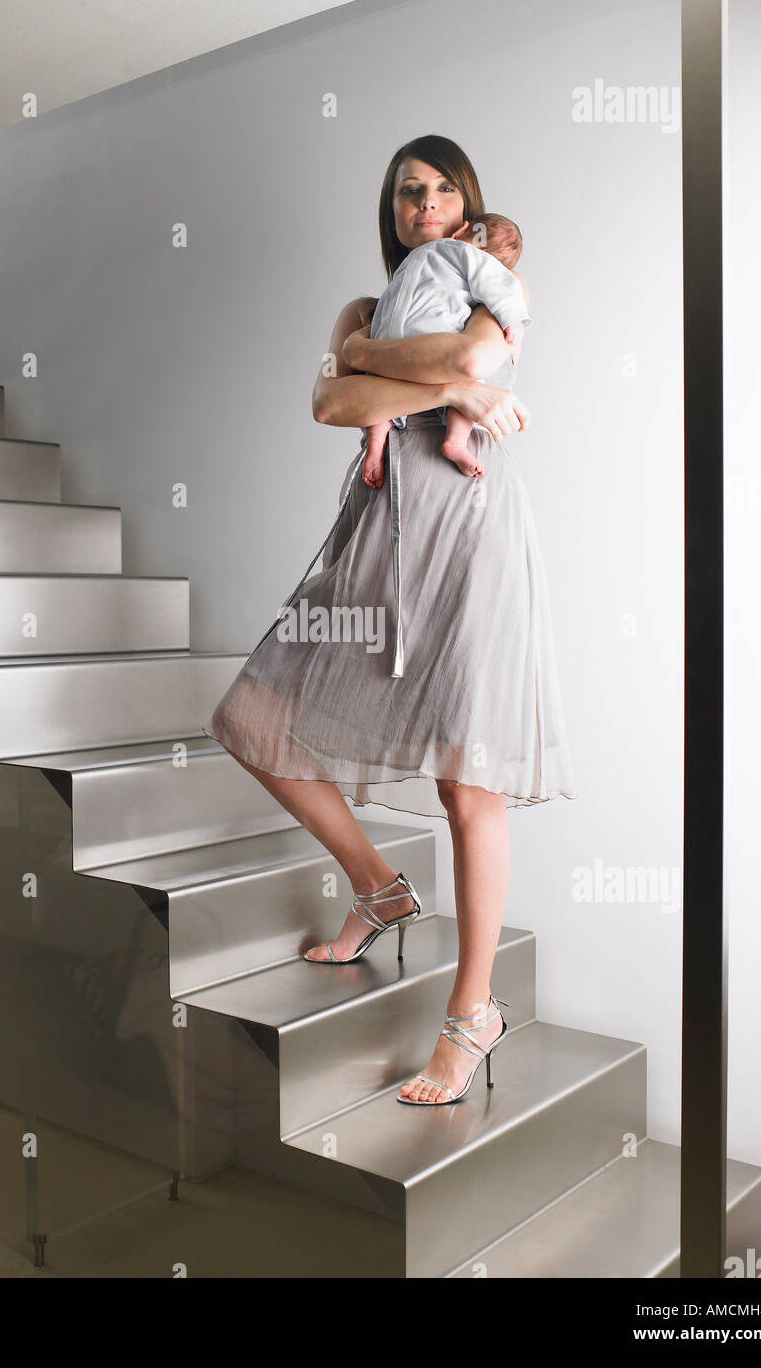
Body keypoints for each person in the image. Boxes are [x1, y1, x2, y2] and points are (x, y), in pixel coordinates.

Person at [203, 133, 577, 1105]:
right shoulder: (358, 309)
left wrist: (395, 367)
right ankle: (377, 886)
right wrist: (446, 386)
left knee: (466, 785)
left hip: (471, 534)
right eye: (407, 191)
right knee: (253, 720)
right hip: (376, 534)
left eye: (441, 190)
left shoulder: (484, 278)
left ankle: (469, 1018)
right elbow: (331, 401)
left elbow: (463, 349)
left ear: (467, 206)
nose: (423, 205)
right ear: (392, 209)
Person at [361, 212, 531, 485]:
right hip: (431, 343)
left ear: (463, 228)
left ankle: (376, 442)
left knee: (382, 397)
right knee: (470, 384)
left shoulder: (421, 255)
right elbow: (502, 288)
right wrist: (512, 320)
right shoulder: (473, 258)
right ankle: (455, 441)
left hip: (388, 341)